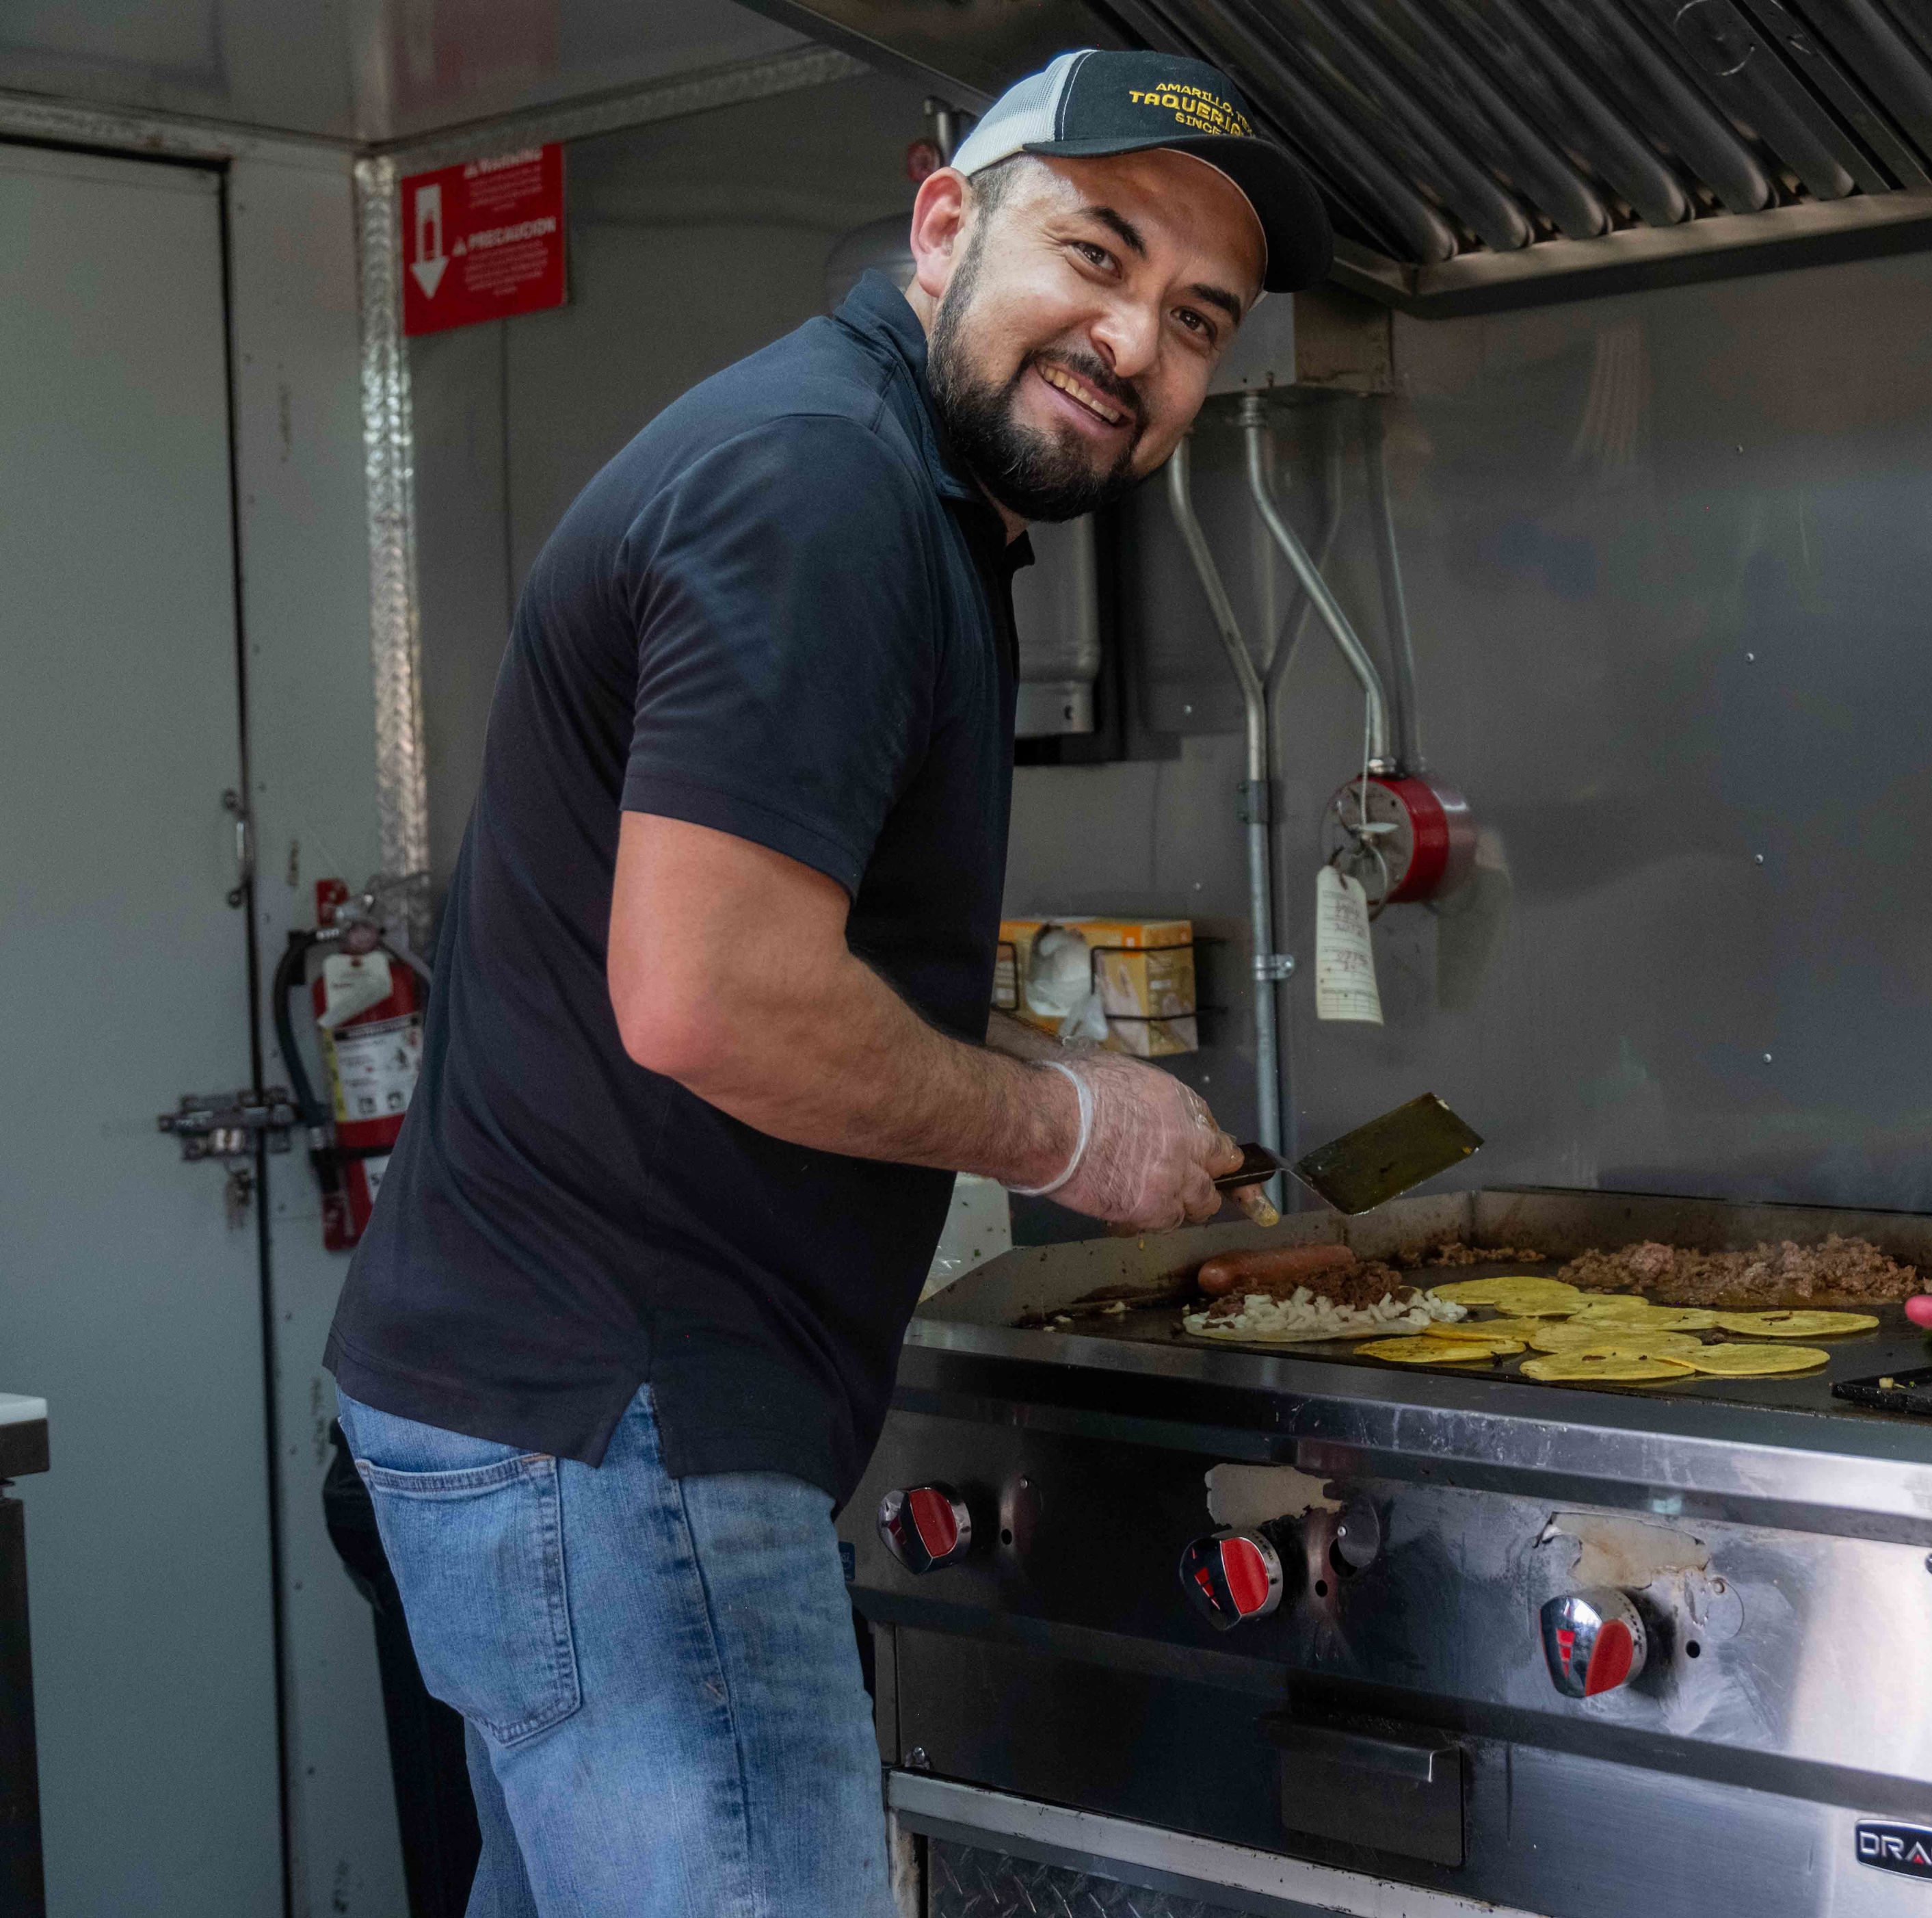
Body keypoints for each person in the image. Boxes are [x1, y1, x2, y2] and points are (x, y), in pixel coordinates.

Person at [322, 50, 1329, 1917]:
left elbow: (791, 951)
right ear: (945, 221)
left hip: (539, 1416)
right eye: (1097, 255)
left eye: (1196, 319)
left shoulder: (884, 481)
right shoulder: (827, 490)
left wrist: (1078, 1092)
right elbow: (706, 996)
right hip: (622, 1438)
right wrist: (1066, 1130)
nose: (1131, 342)